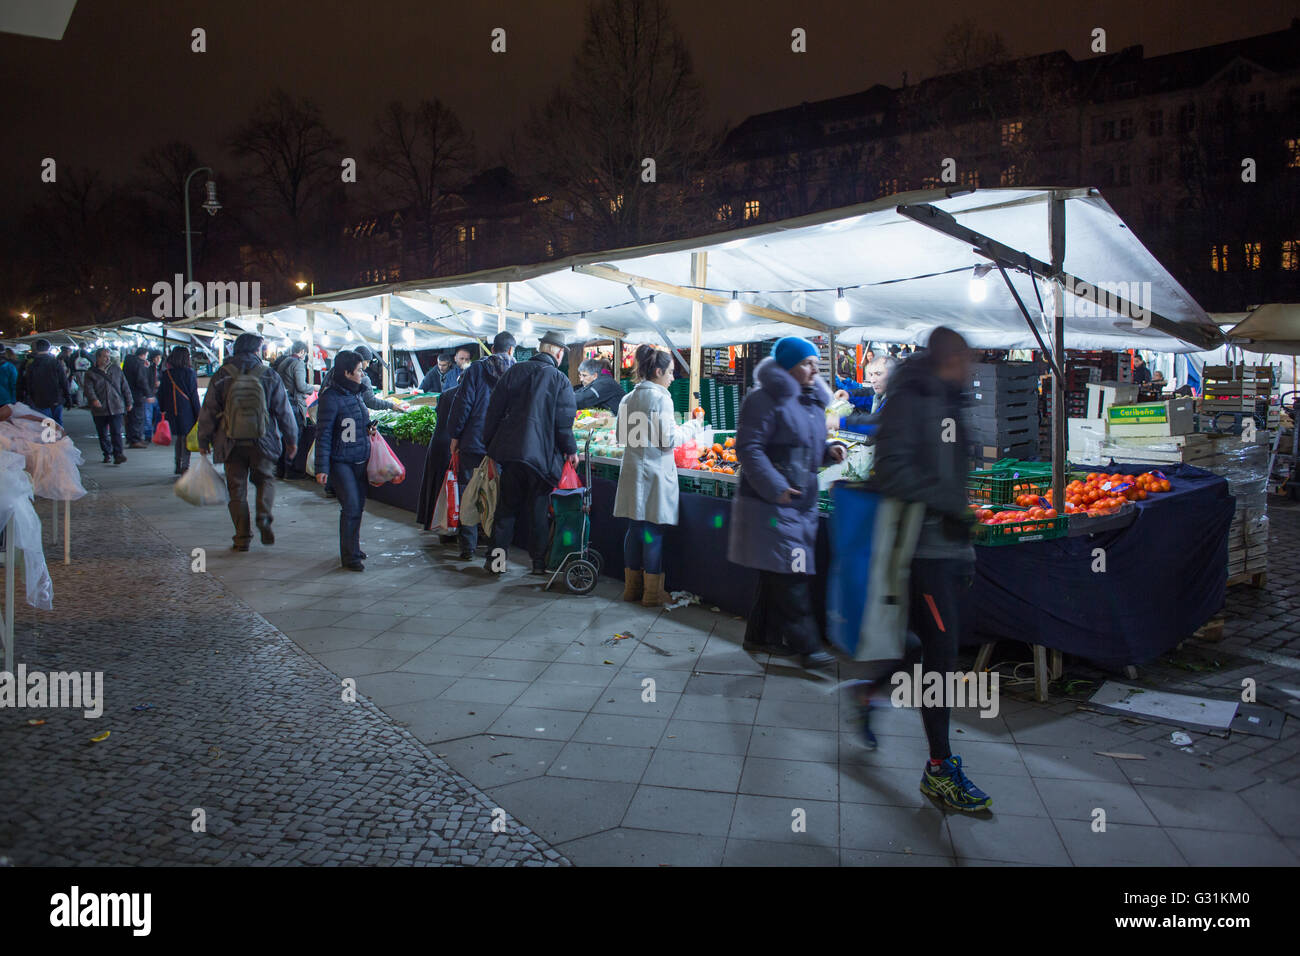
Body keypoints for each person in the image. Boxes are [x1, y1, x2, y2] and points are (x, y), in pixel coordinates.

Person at [861, 325, 992, 813]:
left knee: (921, 646)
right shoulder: (912, 399)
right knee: (940, 658)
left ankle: (867, 692)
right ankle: (939, 769)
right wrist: (951, 511)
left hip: (948, 550)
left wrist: (967, 544)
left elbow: (956, 478)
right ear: (945, 357)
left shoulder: (951, 402)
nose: (970, 366)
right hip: (921, 551)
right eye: (964, 358)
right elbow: (891, 471)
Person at [728, 336, 846, 669]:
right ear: (788, 366)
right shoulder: (763, 400)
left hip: (800, 501)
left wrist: (829, 450)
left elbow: (808, 448)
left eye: (815, 362)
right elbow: (748, 449)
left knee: (776, 571)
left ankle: (759, 635)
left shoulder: (810, 402)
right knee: (791, 573)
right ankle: (807, 646)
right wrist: (776, 486)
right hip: (772, 504)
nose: (814, 369)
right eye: (806, 363)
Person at [614, 345, 705, 606]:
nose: (673, 378)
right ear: (658, 371)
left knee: (634, 529)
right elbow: (669, 440)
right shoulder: (661, 397)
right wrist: (694, 425)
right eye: (671, 372)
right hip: (654, 473)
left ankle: (631, 590)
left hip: (632, 470)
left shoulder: (627, 398)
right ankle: (652, 594)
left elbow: (622, 436)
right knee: (653, 531)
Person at [481, 330, 577, 574]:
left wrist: (489, 444)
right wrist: (571, 450)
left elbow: (493, 411)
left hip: (511, 455)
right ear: (557, 352)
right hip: (541, 459)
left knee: (505, 512)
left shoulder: (514, 371)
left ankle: (496, 564)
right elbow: (563, 422)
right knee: (538, 513)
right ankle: (538, 565)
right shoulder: (560, 380)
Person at [196, 332, 297, 552]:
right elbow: (284, 411)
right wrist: (292, 440)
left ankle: (242, 537)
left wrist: (203, 440)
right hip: (264, 439)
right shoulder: (269, 374)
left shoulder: (222, 374)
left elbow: (208, 410)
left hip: (230, 441)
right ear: (256, 350)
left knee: (237, 490)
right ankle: (263, 515)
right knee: (265, 480)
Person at [448, 332, 516, 559]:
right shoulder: (518, 373)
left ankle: (467, 547)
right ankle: (495, 552)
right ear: (510, 350)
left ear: (492, 348)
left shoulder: (475, 370)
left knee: (470, 494)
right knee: (497, 499)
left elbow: (462, 404)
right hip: (502, 446)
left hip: (473, 443)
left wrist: (455, 436)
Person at [315, 349, 374, 572]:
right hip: (341, 462)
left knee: (358, 506)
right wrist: (322, 468)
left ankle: (354, 547)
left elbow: (358, 421)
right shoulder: (330, 397)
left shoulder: (356, 393)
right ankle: (349, 557)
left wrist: (369, 427)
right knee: (350, 506)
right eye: (359, 370)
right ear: (347, 372)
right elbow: (324, 433)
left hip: (360, 458)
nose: (362, 374)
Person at [416, 381, 461, 536]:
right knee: (449, 486)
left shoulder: (447, 393)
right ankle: (447, 526)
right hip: (451, 444)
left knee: (435, 484)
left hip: (438, 441)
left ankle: (433, 522)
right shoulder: (465, 394)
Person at [83, 347, 133, 464]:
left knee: (116, 431)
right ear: (98, 357)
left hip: (116, 406)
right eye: (104, 356)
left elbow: (125, 386)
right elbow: (88, 389)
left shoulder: (116, 369)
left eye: (108, 357)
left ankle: (118, 454)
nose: (107, 359)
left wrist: (129, 401)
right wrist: (94, 399)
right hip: (99, 408)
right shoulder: (90, 373)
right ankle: (107, 453)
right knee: (102, 433)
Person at [158, 346, 202, 476]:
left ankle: (178, 464)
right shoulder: (189, 373)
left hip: (172, 410)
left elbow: (161, 394)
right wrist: (198, 412)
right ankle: (185, 466)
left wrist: (163, 409)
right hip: (186, 409)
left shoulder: (167, 374)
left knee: (179, 438)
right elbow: (193, 394)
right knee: (186, 438)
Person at [275, 341, 313, 479]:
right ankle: (291, 471)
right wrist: (314, 388)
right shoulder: (298, 364)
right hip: (293, 404)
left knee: (284, 437)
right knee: (294, 437)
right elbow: (301, 386)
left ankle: (280, 470)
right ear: (302, 351)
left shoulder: (283, 361)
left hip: (281, 403)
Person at [835, 356, 897, 437]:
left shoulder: (899, 398)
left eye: (878, 374)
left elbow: (877, 424)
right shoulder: (882, 393)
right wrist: (848, 395)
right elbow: (868, 395)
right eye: (871, 374)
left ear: (893, 375)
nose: (873, 380)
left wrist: (841, 422)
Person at [18, 339, 71, 426]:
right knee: (58, 423)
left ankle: (49, 438)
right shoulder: (55, 362)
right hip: (56, 398)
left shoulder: (30, 364)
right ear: (49, 348)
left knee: (45, 424)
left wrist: (23, 397)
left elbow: (25, 383)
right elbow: (63, 381)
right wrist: (68, 397)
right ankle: (58, 439)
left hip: (38, 399)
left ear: (36, 348)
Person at [122, 346, 154, 447]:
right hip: (137, 394)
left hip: (128, 393)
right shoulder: (138, 364)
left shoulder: (128, 362)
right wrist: (148, 394)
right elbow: (142, 380)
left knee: (130, 417)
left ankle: (131, 438)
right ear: (143, 355)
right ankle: (136, 440)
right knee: (138, 417)